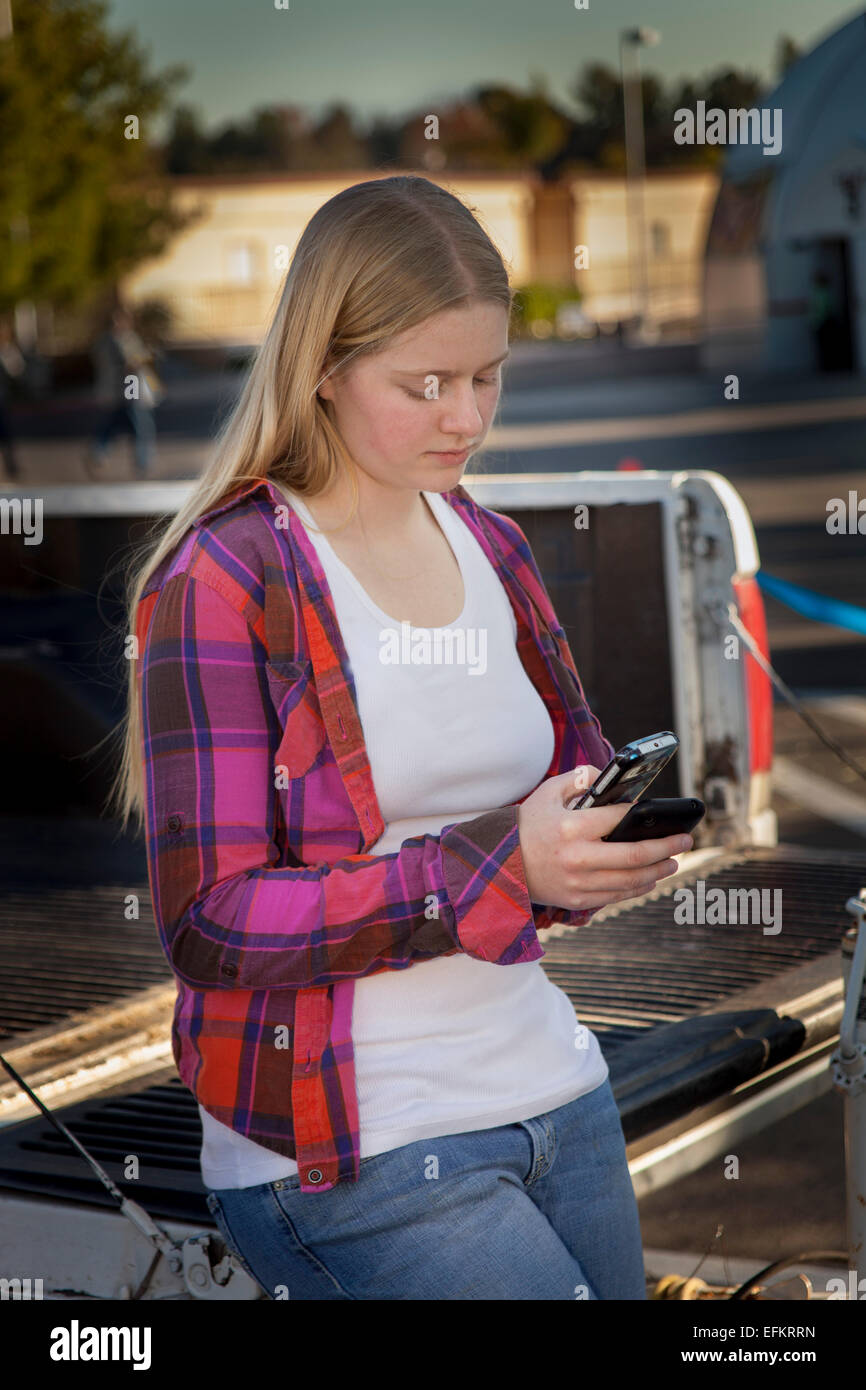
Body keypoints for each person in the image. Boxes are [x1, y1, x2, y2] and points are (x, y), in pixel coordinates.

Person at [113, 175, 691, 1301]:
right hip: (348, 1153)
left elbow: (547, 818)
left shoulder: (494, 545)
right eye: (425, 383)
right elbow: (209, 924)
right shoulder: (226, 579)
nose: (466, 418)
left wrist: (584, 856)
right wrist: (496, 865)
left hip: (555, 1094)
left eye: (487, 377)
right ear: (324, 367)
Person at [85, 305, 159, 478]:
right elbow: (130, 363)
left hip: (121, 391)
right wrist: (145, 357)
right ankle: (142, 462)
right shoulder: (113, 341)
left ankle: (99, 453)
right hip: (128, 391)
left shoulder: (121, 339)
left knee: (114, 425)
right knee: (142, 426)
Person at [0, 319, 26, 480]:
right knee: (5, 434)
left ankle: (11, 467)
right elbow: (16, 371)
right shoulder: (7, 351)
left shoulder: (7, 351)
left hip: (2, 399)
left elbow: (16, 370)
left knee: (5, 434)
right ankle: (11, 467)